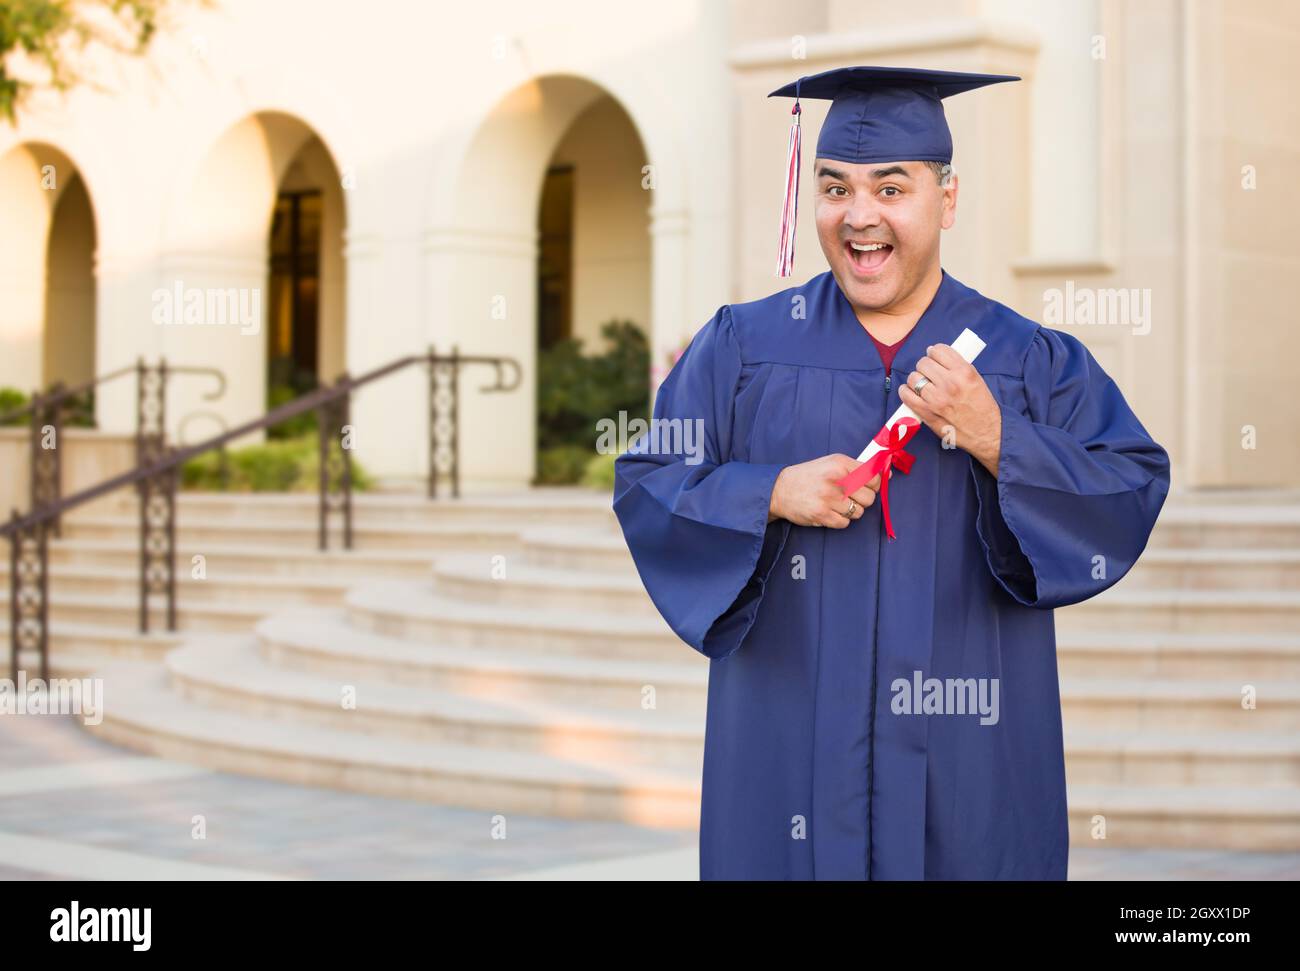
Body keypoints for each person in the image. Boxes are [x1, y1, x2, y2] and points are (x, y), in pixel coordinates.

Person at [612, 66, 1171, 880]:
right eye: (835, 187)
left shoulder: (1025, 358)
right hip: (791, 755)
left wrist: (998, 438)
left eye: (891, 188)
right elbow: (648, 479)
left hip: (965, 759)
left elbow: (1130, 481)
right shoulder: (743, 346)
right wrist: (768, 492)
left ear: (945, 201)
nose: (859, 215)